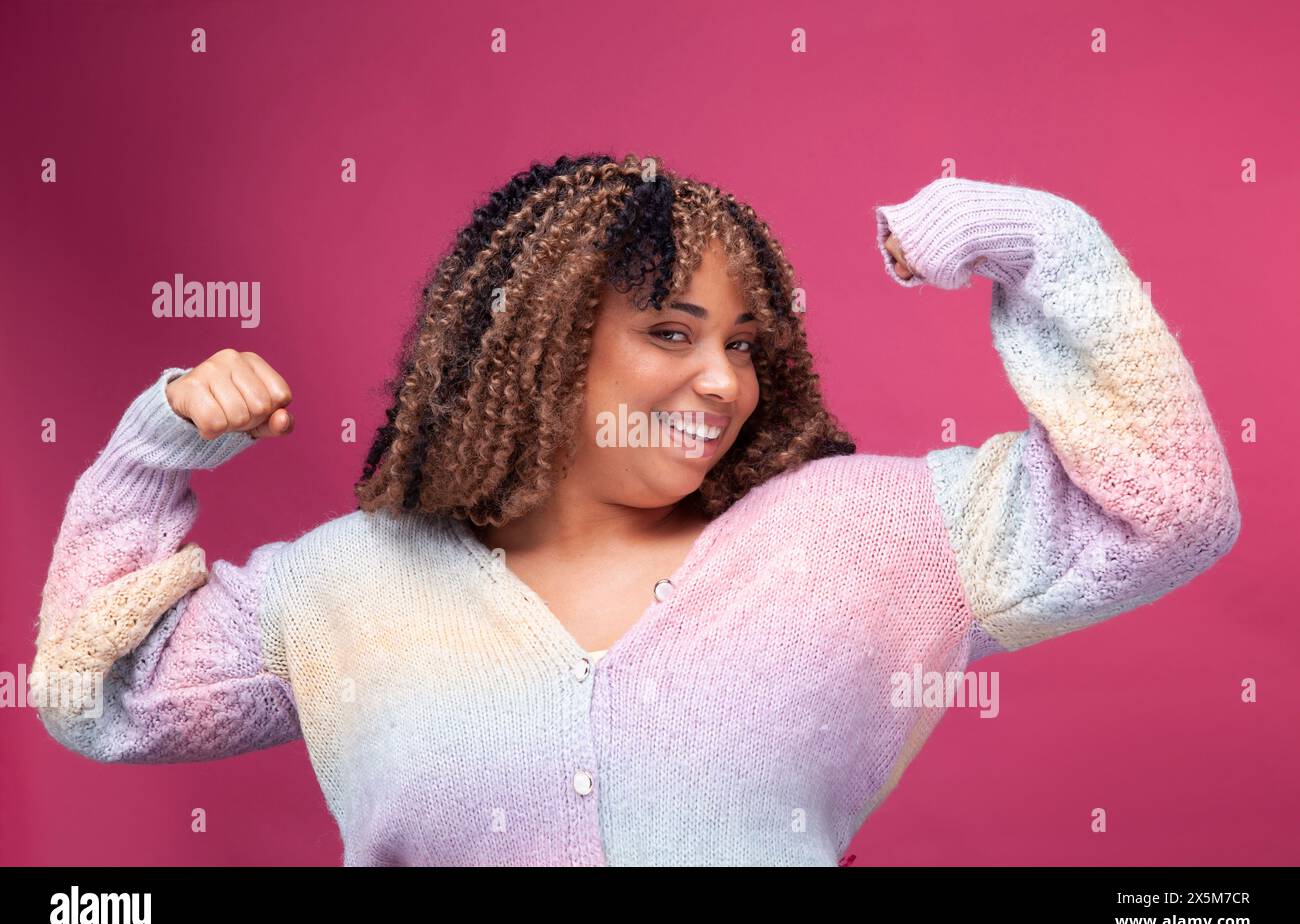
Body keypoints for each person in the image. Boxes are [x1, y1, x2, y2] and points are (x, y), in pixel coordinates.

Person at [28, 153, 1242, 866]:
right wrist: (155, 444)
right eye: (671, 331)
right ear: (537, 338)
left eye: (742, 342)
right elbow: (98, 694)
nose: (722, 380)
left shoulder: (862, 536)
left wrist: (1036, 241)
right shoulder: (344, 583)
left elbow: (1168, 508)